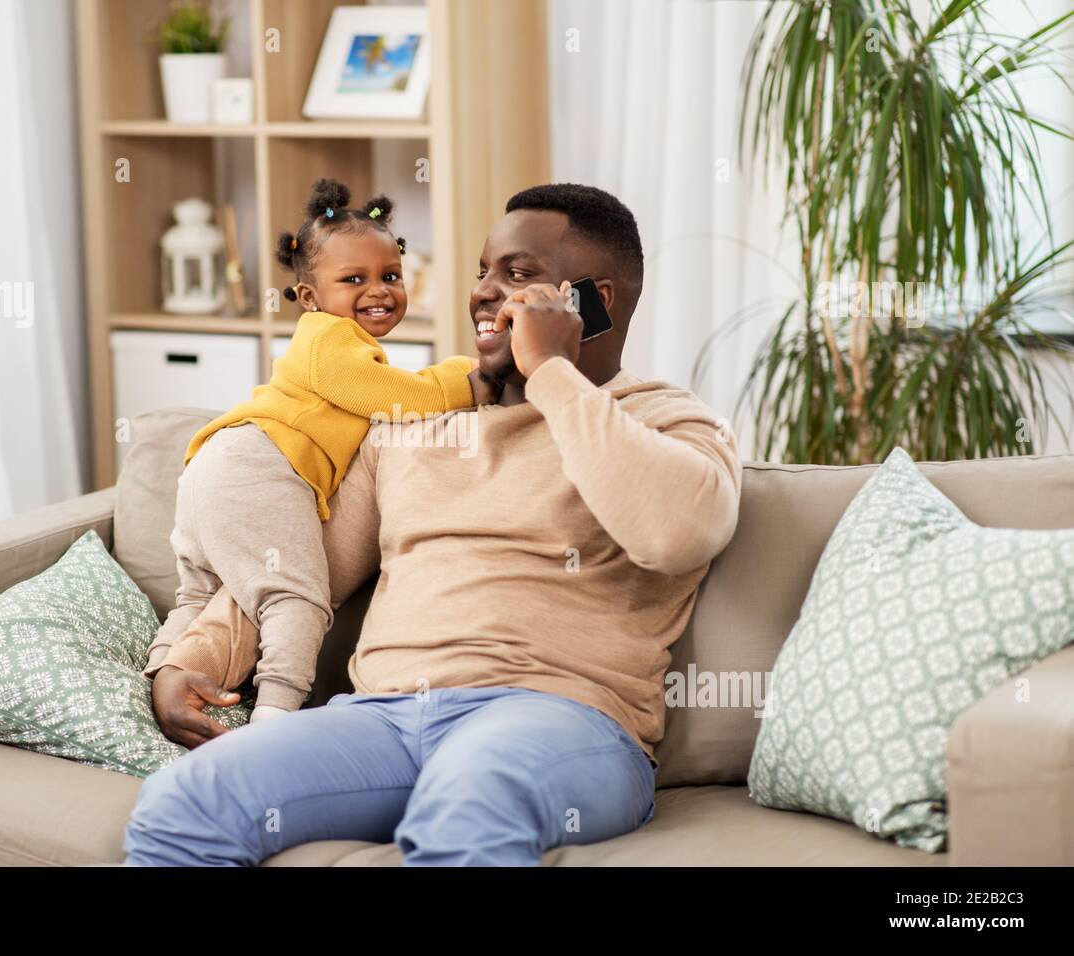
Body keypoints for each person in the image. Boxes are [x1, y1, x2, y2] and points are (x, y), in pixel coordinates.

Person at [127, 183, 743, 866]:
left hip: (560, 723)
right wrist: (186, 660)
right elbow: (299, 570)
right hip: (382, 720)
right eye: (483, 271)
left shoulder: (665, 421)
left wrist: (553, 374)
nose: (483, 291)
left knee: (466, 807)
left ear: (593, 300)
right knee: (180, 804)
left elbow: (675, 534)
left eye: (517, 275)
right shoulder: (409, 432)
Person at [150, 178, 491, 727]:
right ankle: (276, 718)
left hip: (214, 470)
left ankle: (164, 670)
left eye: (390, 276)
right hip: (255, 464)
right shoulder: (329, 339)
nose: (379, 290)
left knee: (206, 592)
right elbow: (405, 399)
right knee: (297, 599)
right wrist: (470, 378)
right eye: (353, 279)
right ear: (310, 298)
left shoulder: (343, 346)